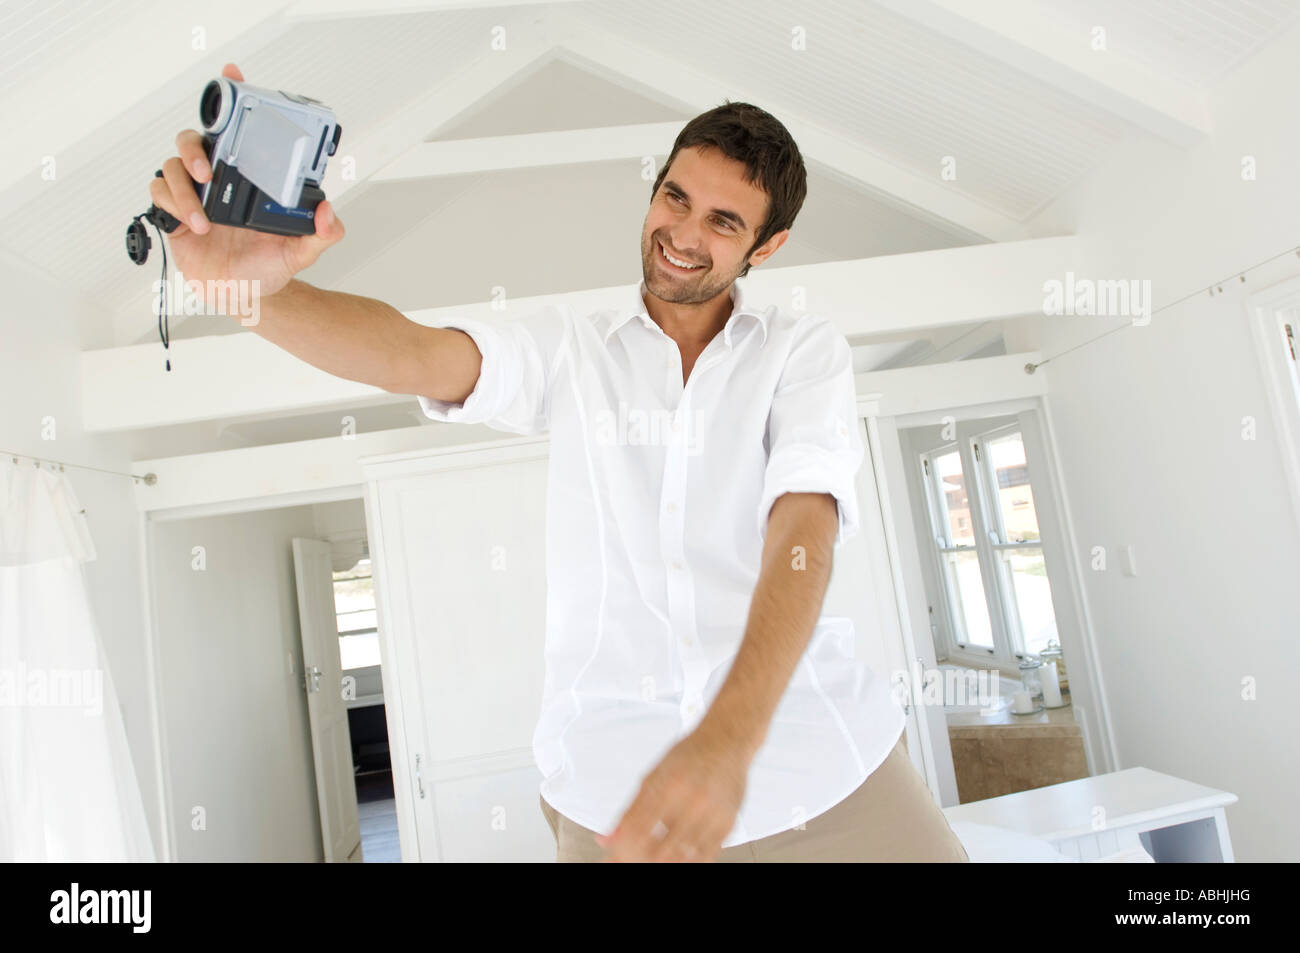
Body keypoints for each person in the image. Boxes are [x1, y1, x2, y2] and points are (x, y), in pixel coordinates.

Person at [150, 62, 969, 864]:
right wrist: (249, 294)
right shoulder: (571, 349)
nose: (682, 233)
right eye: (674, 197)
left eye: (723, 221)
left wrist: (725, 745)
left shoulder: (801, 351)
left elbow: (804, 532)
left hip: (822, 766)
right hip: (617, 796)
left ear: (770, 244)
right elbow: (416, 354)